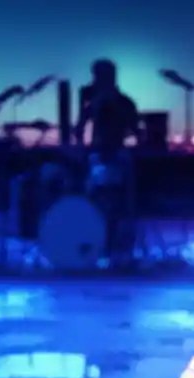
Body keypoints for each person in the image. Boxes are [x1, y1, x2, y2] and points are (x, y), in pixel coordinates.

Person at [74, 59, 140, 261]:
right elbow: (79, 127)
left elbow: (136, 130)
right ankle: (99, 243)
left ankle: (117, 245)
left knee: (119, 203)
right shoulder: (94, 101)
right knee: (96, 201)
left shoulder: (124, 103)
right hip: (98, 155)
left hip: (116, 155)